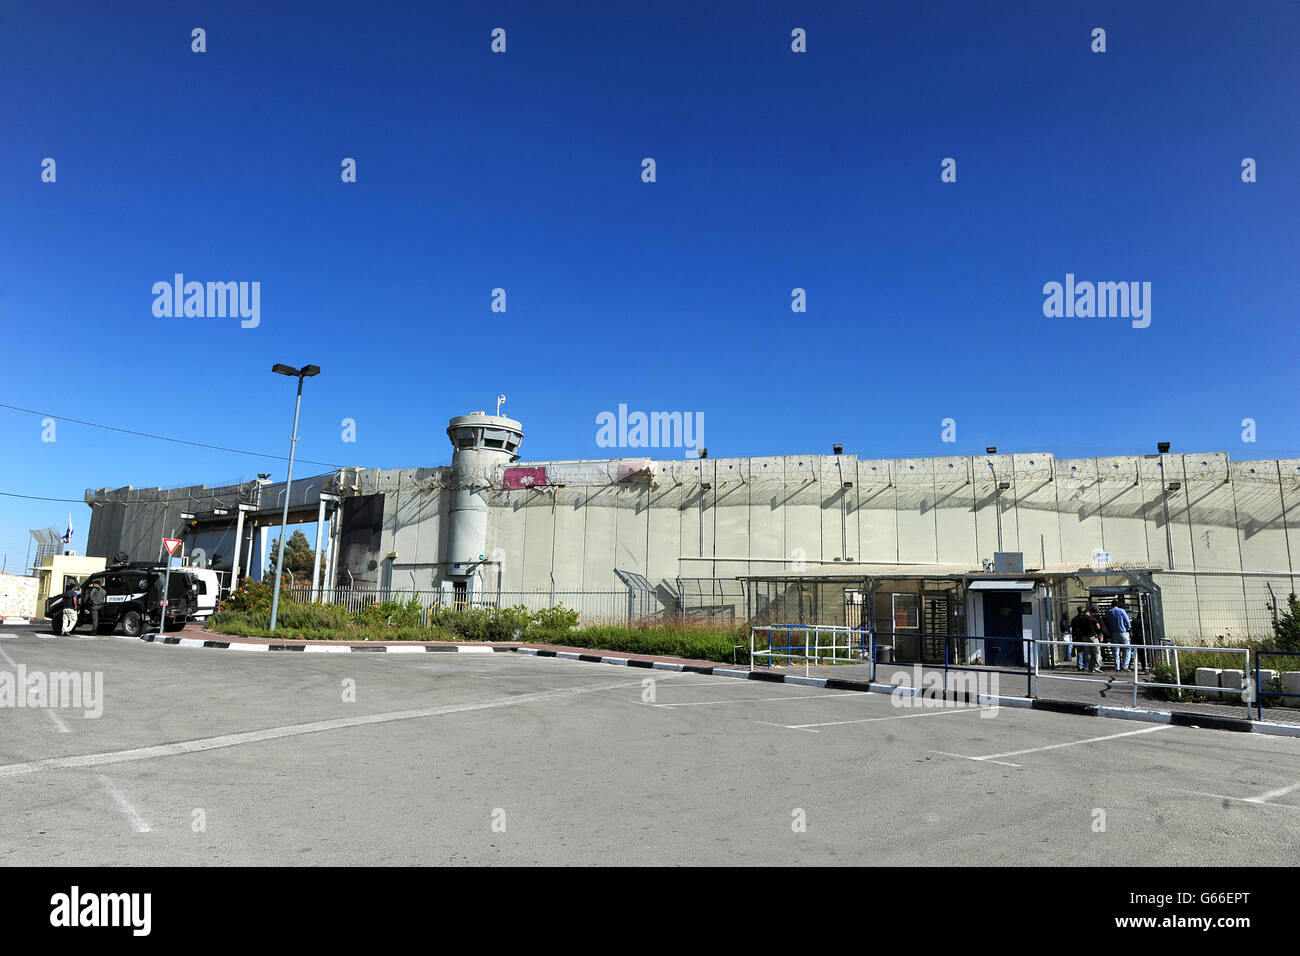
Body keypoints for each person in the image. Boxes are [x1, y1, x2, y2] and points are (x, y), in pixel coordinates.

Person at [1071, 605, 1102, 673]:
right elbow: (1098, 626)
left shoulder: (1076, 619)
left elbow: (1076, 629)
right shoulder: (1091, 618)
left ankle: (1088, 667)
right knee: (1096, 652)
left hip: (1082, 637)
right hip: (1092, 637)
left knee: (1087, 653)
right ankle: (1097, 666)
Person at [1106, 600, 1134, 672]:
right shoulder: (1122, 611)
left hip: (1113, 633)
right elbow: (1127, 621)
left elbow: (1107, 622)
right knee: (1127, 649)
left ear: (1111, 605)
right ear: (1118, 605)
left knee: (1115, 650)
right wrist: (1129, 629)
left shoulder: (1109, 612)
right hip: (1123, 632)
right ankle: (1125, 665)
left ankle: (1117, 666)